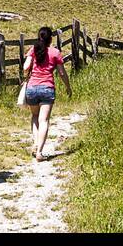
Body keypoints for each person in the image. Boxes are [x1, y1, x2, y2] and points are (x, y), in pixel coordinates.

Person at [21, 26, 71, 161]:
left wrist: (27, 74)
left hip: (32, 88)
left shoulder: (33, 50)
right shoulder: (55, 52)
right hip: (47, 88)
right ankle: (39, 152)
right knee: (44, 120)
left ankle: (36, 143)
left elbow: (25, 67)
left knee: (34, 116)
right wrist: (68, 87)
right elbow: (61, 72)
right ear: (50, 39)